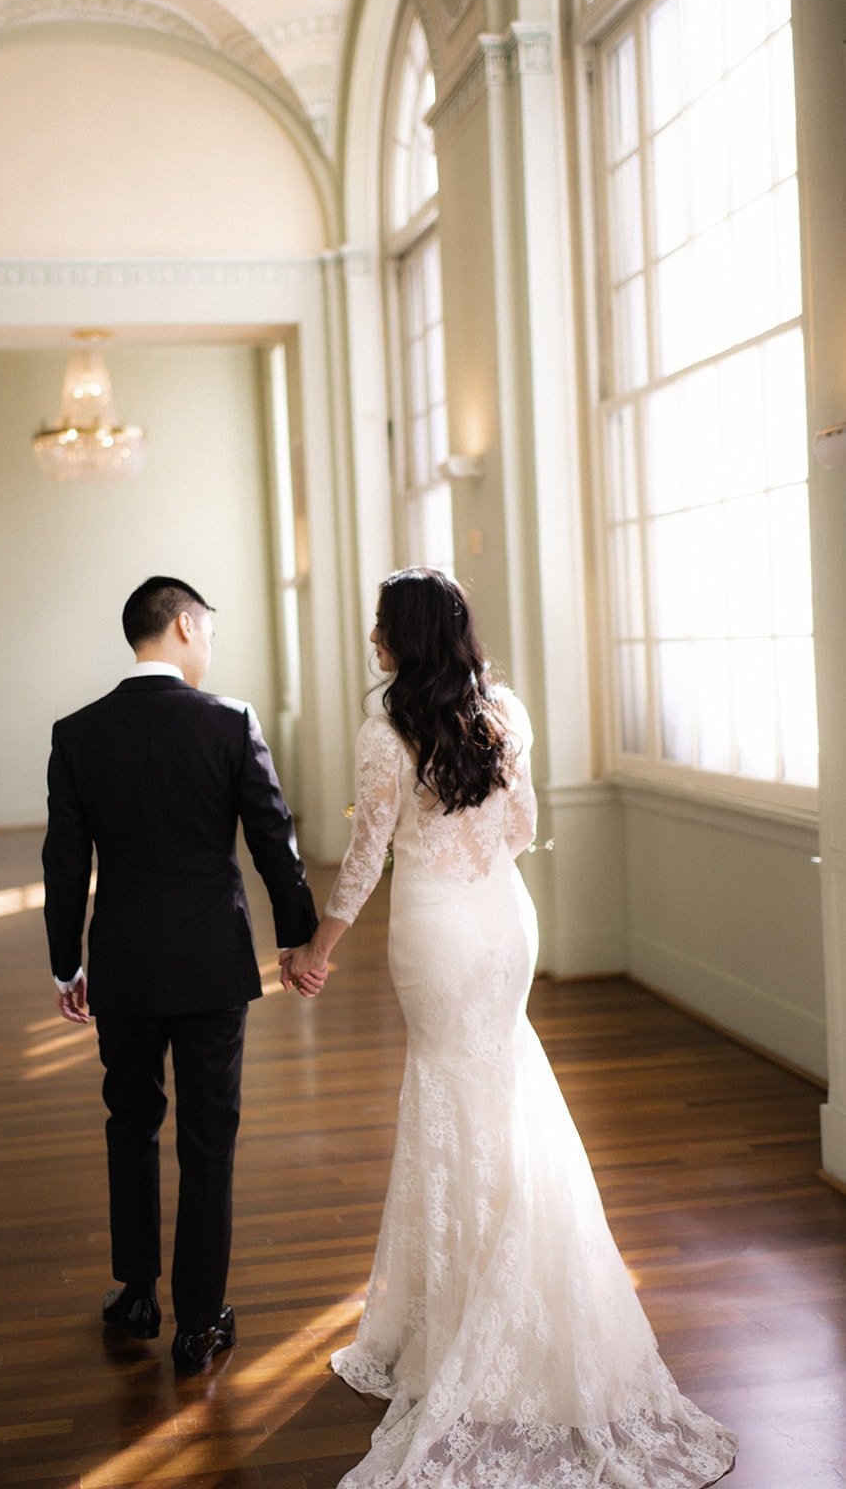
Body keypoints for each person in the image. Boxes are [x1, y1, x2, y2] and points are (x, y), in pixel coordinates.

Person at [281, 567, 737, 1488]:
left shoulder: (383, 734)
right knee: (501, 1089)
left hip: (438, 928)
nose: (371, 636)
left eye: (380, 625)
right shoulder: (505, 715)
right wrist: (468, 845)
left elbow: (368, 852)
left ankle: (477, 1314)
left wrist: (318, 944)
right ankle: (496, 1286)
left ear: (403, 637)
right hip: (502, 918)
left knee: (451, 1096)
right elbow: (521, 829)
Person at [43, 575, 317, 1377]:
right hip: (208, 964)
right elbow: (275, 840)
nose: (211, 647)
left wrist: (68, 963)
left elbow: (65, 865)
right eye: (210, 631)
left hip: (123, 962)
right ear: (186, 626)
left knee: (129, 1124)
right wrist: (297, 941)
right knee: (208, 1140)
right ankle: (199, 1325)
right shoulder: (229, 722)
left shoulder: (77, 732)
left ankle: (136, 1295)